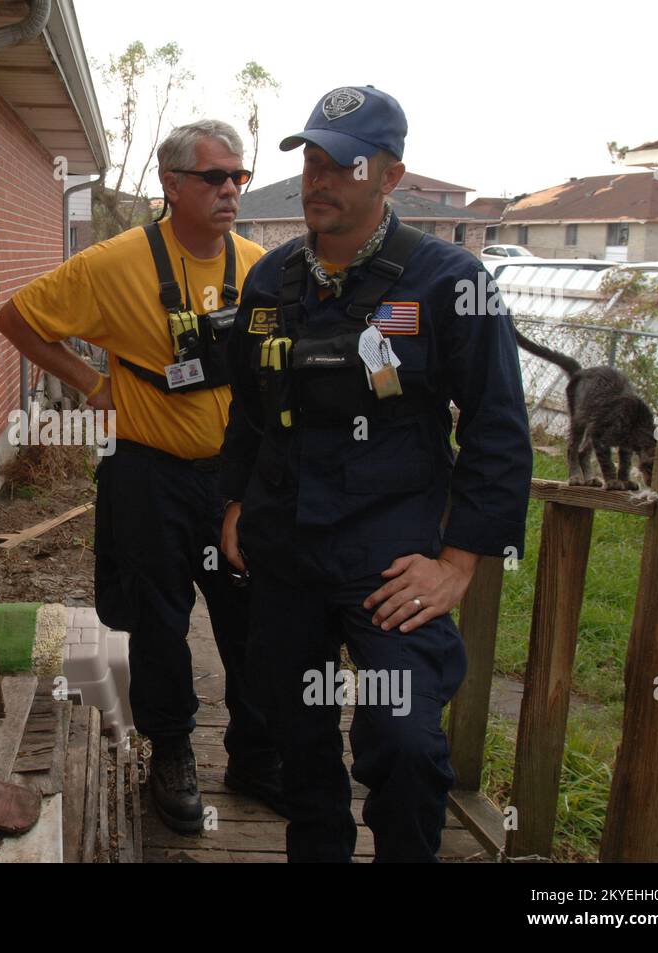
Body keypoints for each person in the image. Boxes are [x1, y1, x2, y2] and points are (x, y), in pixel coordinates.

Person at [220, 87, 531, 861]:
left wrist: (459, 563)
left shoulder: (449, 281)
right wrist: (232, 504)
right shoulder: (272, 282)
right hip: (286, 546)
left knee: (405, 746)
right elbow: (251, 410)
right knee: (298, 738)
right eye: (312, 163)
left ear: (391, 175)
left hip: (391, 555)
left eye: (343, 165)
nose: (318, 181)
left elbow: (497, 429)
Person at [0, 120, 283, 834]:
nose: (229, 190)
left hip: (235, 478)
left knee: (254, 618)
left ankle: (254, 752)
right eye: (213, 177)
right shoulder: (113, 263)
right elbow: (17, 318)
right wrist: (90, 385)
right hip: (148, 472)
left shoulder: (260, 268)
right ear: (173, 184)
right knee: (155, 623)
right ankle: (174, 752)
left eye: (237, 177)